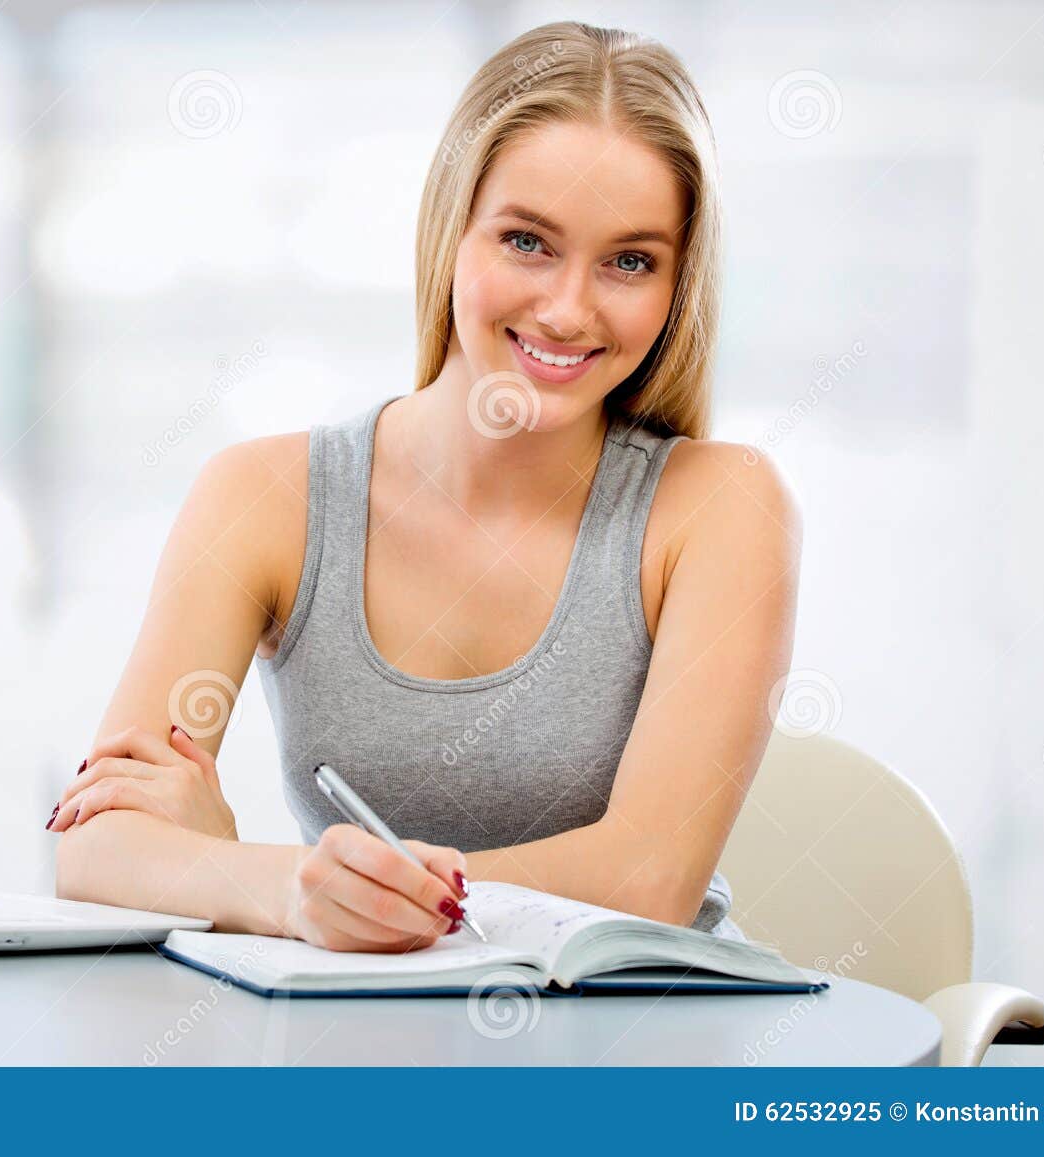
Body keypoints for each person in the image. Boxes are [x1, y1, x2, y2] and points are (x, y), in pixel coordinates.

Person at [51, 20, 799, 952]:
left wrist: (251, 873)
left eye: (630, 261)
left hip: (642, 1045)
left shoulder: (720, 506)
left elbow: (646, 882)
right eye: (528, 241)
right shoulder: (263, 497)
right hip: (369, 1041)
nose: (568, 309)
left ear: (680, 284)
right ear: (451, 233)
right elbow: (94, 845)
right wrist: (288, 889)